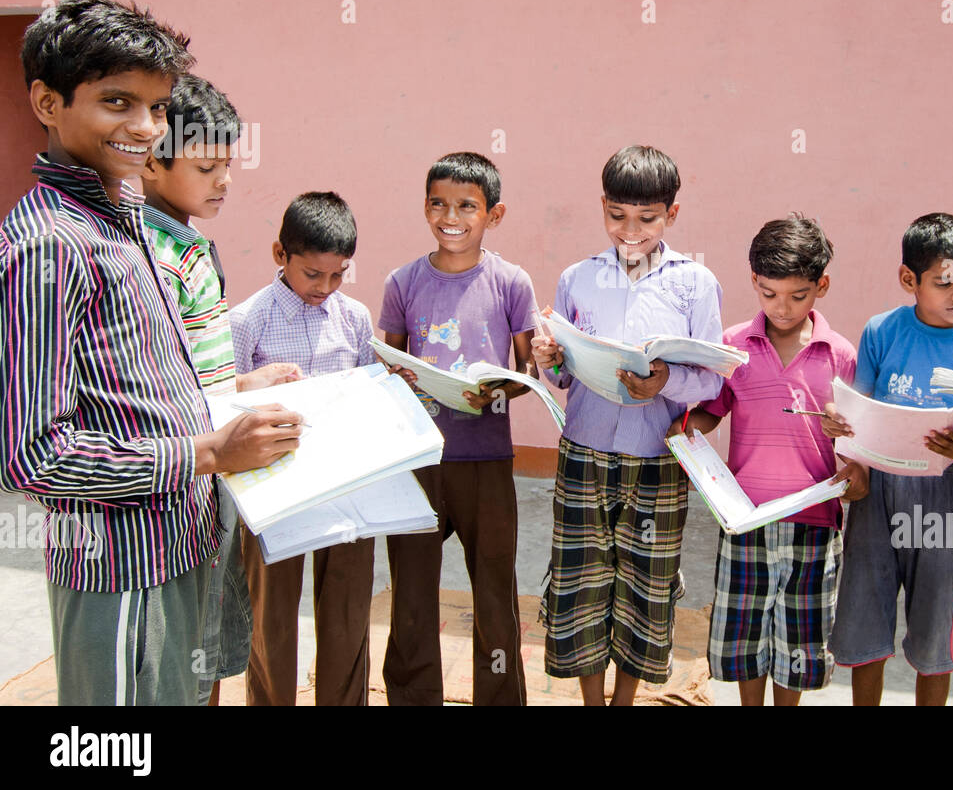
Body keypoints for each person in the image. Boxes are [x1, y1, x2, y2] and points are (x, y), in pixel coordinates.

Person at [0, 0, 300, 706]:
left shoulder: (127, 214)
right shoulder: (50, 244)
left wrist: (231, 403)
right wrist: (207, 453)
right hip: (119, 568)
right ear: (47, 101)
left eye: (158, 107)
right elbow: (34, 454)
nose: (144, 127)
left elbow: (144, 385)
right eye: (116, 102)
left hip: (181, 540)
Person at [531, 144, 724, 705]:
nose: (631, 230)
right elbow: (563, 379)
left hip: (659, 462)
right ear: (602, 208)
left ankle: (624, 700)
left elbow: (712, 380)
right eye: (617, 216)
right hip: (583, 454)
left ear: (673, 215)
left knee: (646, 585)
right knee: (581, 581)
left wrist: (665, 381)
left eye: (648, 218)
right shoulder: (577, 278)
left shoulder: (696, 284)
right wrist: (551, 357)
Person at [140, 74, 301, 705]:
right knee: (182, 652)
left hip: (212, 482)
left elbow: (183, 369)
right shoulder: (145, 255)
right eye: (207, 166)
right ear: (152, 160)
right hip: (179, 481)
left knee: (209, 638)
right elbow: (147, 384)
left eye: (227, 164)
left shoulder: (190, 247)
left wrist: (240, 382)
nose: (225, 181)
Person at [666, 214, 865, 705]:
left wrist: (853, 466)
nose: (783, 307)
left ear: (822, 286)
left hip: (815, 522)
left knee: (799, 639)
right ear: (754, 281)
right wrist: (685, 429)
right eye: (770, 294)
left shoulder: (840, 355)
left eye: (799, 296)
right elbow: (712, 412)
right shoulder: (734, 345)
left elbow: (857, 449)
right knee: (744, 637)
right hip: (745, 518)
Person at [822, 212, 953, 706]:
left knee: (934, 632)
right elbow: (859, 413)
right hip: (877, 498)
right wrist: (852, 460)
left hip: (944, 498)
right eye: (945, 282)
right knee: (865, 621)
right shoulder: (882, 332)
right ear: (909, 279)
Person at [379, 152, 538, 706]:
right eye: (438, 203)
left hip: (487, 461)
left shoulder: (511, 283)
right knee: (412, 593)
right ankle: (412, 696)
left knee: (494, 593)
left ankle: (498, 697)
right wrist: (399, 376)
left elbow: (529, 372)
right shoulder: (403, 282)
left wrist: (497, 390)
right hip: (420, 462)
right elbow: (386, 363)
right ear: (425, 208)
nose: (451, 216)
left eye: (467, 205)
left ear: (493, 215)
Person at [230, 191, 378, 706]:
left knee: (347, 605)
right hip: (273, 486)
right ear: (280, 255)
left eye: (338, 275)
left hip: (344, 479)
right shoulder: (248, 320)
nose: (326, 287)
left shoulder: (354, 317)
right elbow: (224, 401)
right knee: (271, 610)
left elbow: (365, 391)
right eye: (313, 274)